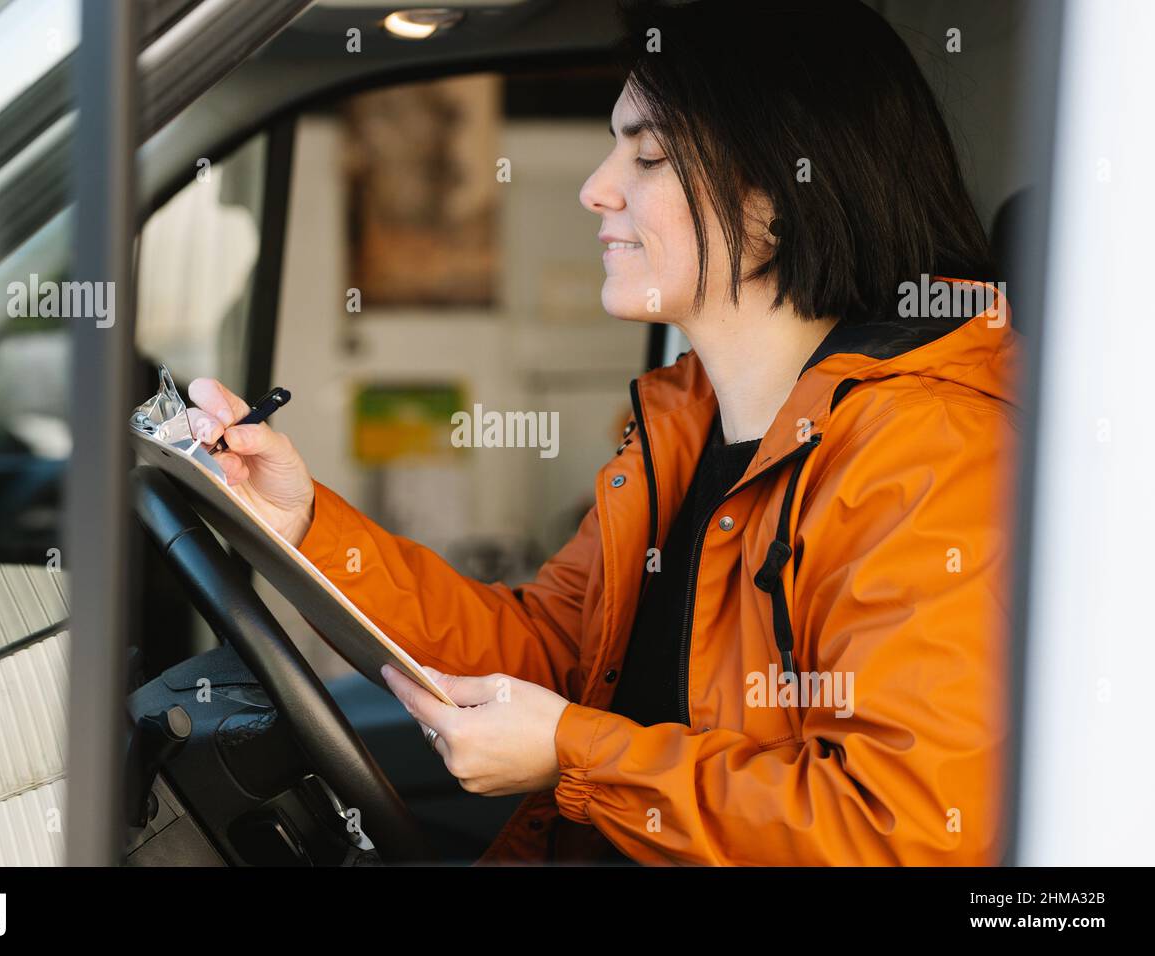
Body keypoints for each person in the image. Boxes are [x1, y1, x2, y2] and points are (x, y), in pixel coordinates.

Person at [184, 0, 1019, 865]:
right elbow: (554, 660)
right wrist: (304, 529)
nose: (597, 187)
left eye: (649, 155)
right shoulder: (686, 422)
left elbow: (902, 832)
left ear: (780, 195)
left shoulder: (931, 451)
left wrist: (579, 755)